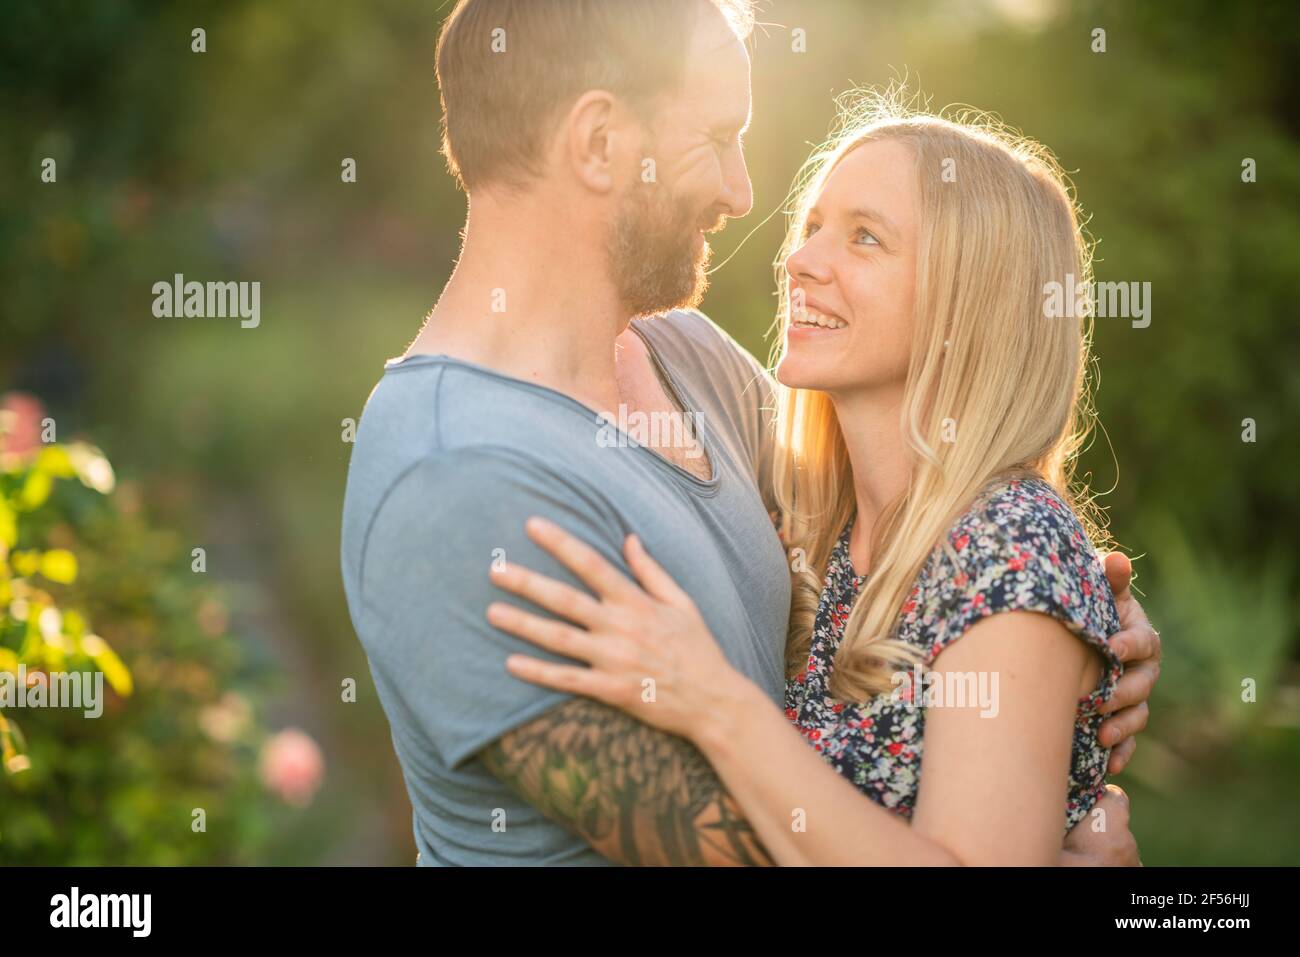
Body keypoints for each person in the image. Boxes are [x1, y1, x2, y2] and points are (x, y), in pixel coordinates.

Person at [340, 0, 1158, 866]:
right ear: (599, 143)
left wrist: (1070, 639)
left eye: (865, 236)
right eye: (720, 136)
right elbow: (741, 848)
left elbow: (923, 526)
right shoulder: (452, 478)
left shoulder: (690, 361)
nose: (742, 193)